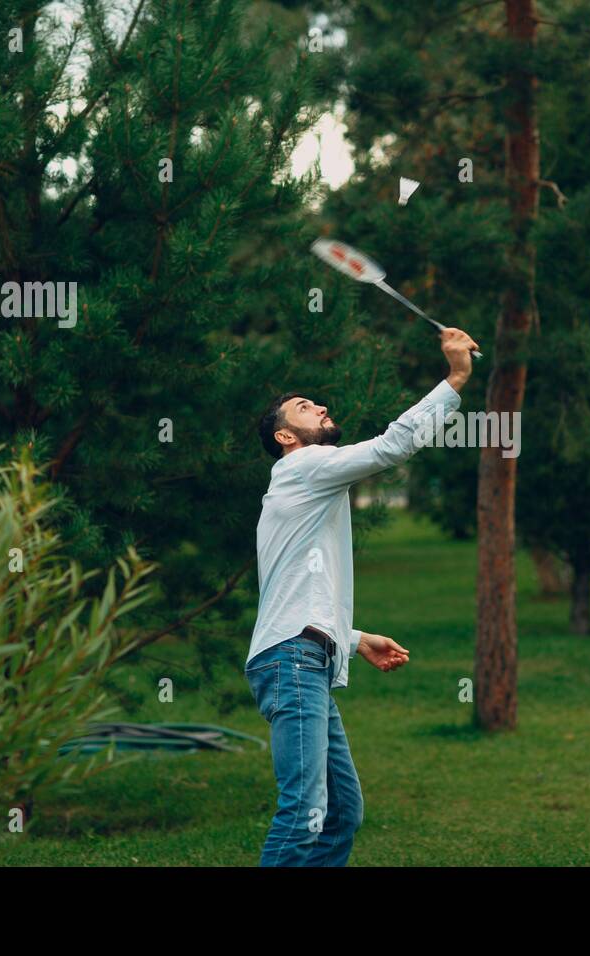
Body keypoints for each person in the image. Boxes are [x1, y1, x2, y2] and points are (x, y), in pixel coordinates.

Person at [246, 326, 480, 866]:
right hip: (292, 664)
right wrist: (456, 378)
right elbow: (395, 444)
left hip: (302, 656)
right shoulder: (303, 467)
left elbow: (294, 594)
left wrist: (355, 638)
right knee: (304, 814)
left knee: (340, 815)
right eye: (305, 408)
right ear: (286, 436)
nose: (321, 406)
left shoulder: (301, 485)